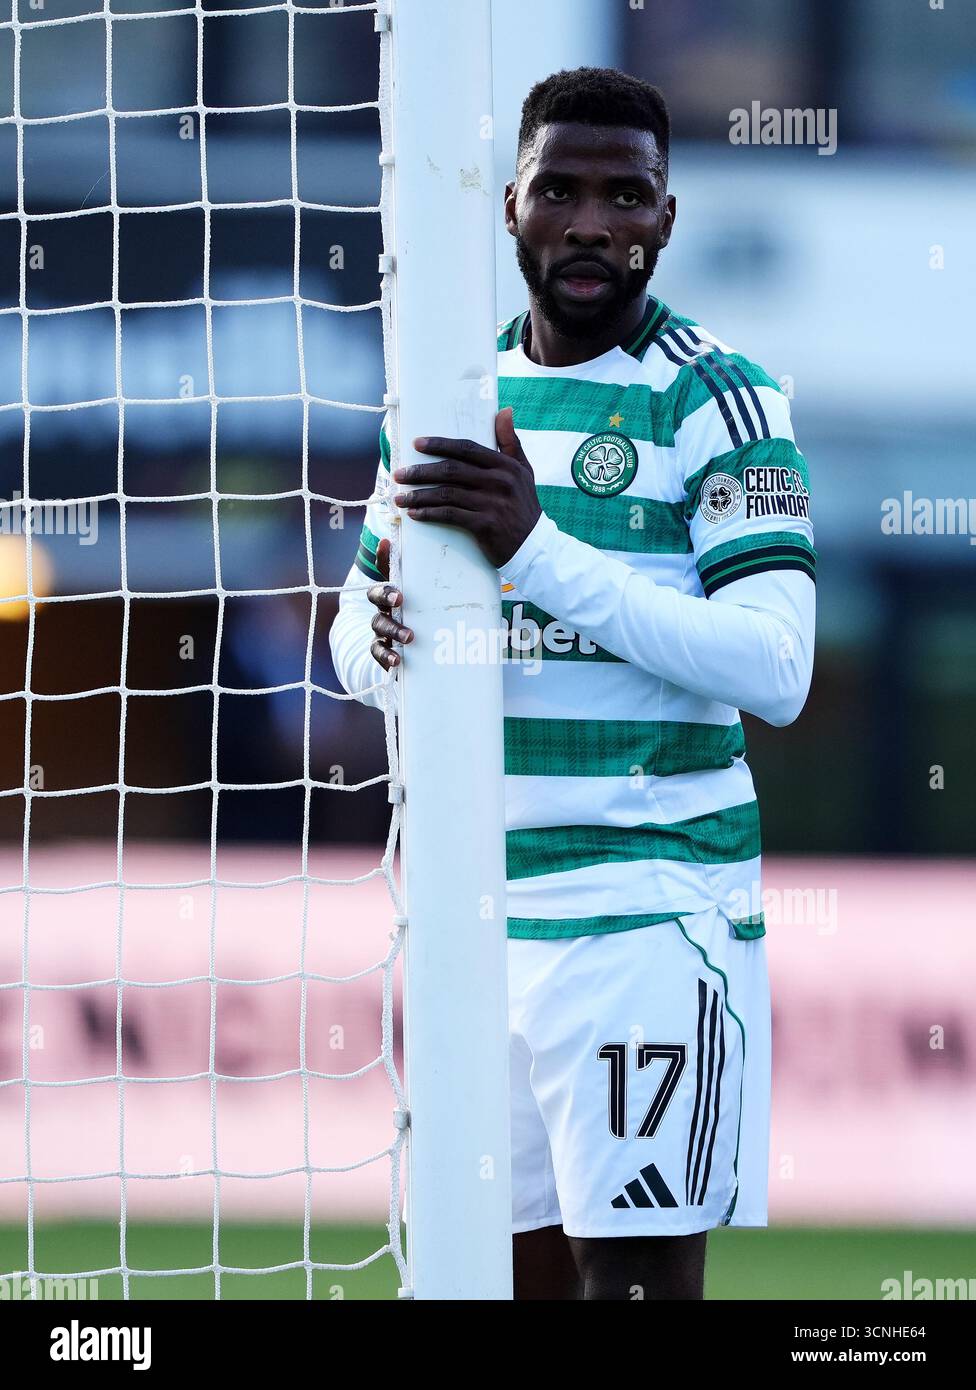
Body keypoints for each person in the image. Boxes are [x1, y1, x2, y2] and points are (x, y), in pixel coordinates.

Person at [330, 66, 816, 1300]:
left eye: (625, 194)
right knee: (495, 1278)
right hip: (473, 921)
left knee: (634, 1286)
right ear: (509, 208)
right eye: (560, 188)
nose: (591, 221)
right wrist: (377, 634)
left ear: (665, 218)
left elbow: (776, 665)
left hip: (648, 916)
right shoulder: (445, 399)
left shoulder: (724, 400)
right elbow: (354, 641)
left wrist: (535, 550)